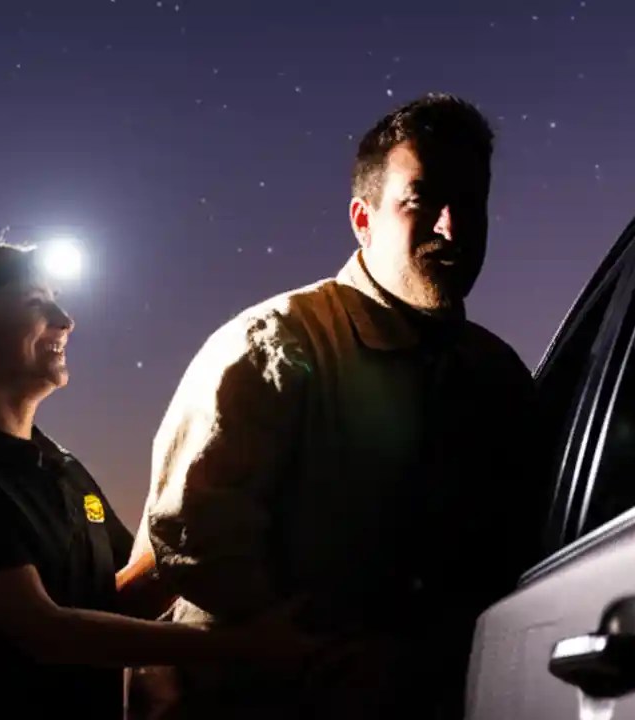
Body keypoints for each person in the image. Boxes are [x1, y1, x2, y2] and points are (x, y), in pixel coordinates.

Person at [128, 93, 544, 718]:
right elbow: (196, 540)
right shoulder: (271, 344)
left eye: (470, 202)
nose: (451, 227)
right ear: (362, 219)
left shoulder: (496, 372)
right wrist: (324, 650)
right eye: (422, 201)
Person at [0, 241, 316, 720]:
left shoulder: (63, 469)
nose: (65, 321)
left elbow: (115, 603)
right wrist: (238, 646)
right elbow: (45, 631)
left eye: (57, 302)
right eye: (34, 304)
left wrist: (228, 503)